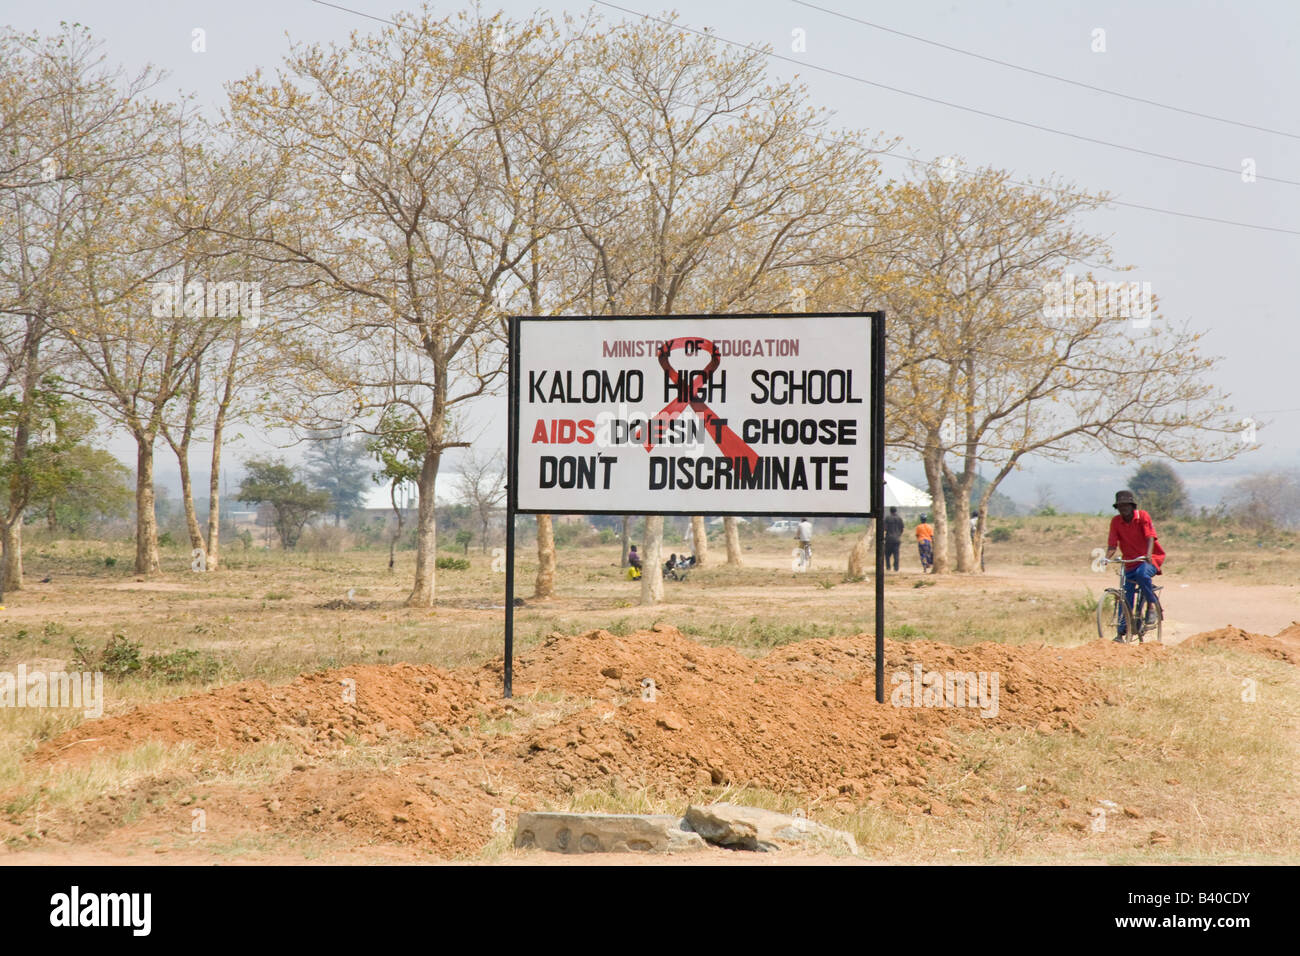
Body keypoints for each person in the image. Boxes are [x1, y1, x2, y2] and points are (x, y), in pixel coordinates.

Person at [1105, 489, 1166, 641]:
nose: (1123, 509)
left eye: (1126, 505)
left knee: (1142, 574)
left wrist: (1148, 555)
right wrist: (1106, 559)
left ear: (1132, 506)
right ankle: (1121, 633)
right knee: (1125, 595)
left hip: (1149, 558)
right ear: (1117, 508)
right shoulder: (1115, 522)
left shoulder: (1143, 516)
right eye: (1120, 506)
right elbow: (1112, 545)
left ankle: (1152, 605)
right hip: (1130, 562)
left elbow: (1150, 537)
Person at [884, 507, 904, 571]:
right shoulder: (899, 518)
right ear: (896, 511)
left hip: (889, 539)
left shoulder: (887, 518)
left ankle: (888, 567)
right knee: (896, 554)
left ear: (890, 511)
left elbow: (885, 528)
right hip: (897, 539)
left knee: (887, 554)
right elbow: (902, 529)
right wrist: (898, 535)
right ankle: (896, 568)